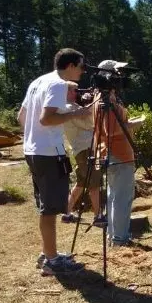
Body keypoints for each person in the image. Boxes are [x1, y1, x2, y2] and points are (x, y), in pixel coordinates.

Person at [17, 48, 90, 276]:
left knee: (45, 206)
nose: (82, 71)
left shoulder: (38, 81)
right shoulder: (58, 84)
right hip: (48, 154)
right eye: (81, 66)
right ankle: (52, 260)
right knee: (49, 209)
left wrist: (33, 137)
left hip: (34, 151)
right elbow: (46, 118)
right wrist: (77, 114)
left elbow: (21, 116)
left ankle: (47, 252)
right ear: (70, 65)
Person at [93, 59, 141, 247]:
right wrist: (135, 124)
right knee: (122, 197)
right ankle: (120, 238)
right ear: (107, 75)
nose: (121, 77)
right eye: (117, 73)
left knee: (114, 196)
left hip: (112, 153)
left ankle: (114, 235)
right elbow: (112, 130)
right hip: (119, 154)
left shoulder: (101, 97)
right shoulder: (106, 100)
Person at [60, 82, 106, 226]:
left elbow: (86, 117)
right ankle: (98, 216)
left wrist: (88, 102)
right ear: (66, 92)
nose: (77, 93)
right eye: (74, 91)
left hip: (82, 148)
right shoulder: (68, 108)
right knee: (94, 183)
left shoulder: (73, 106)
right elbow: (88, 123)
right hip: (84, 149)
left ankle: (66, 213)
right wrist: (94, 101)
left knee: (81, 183)